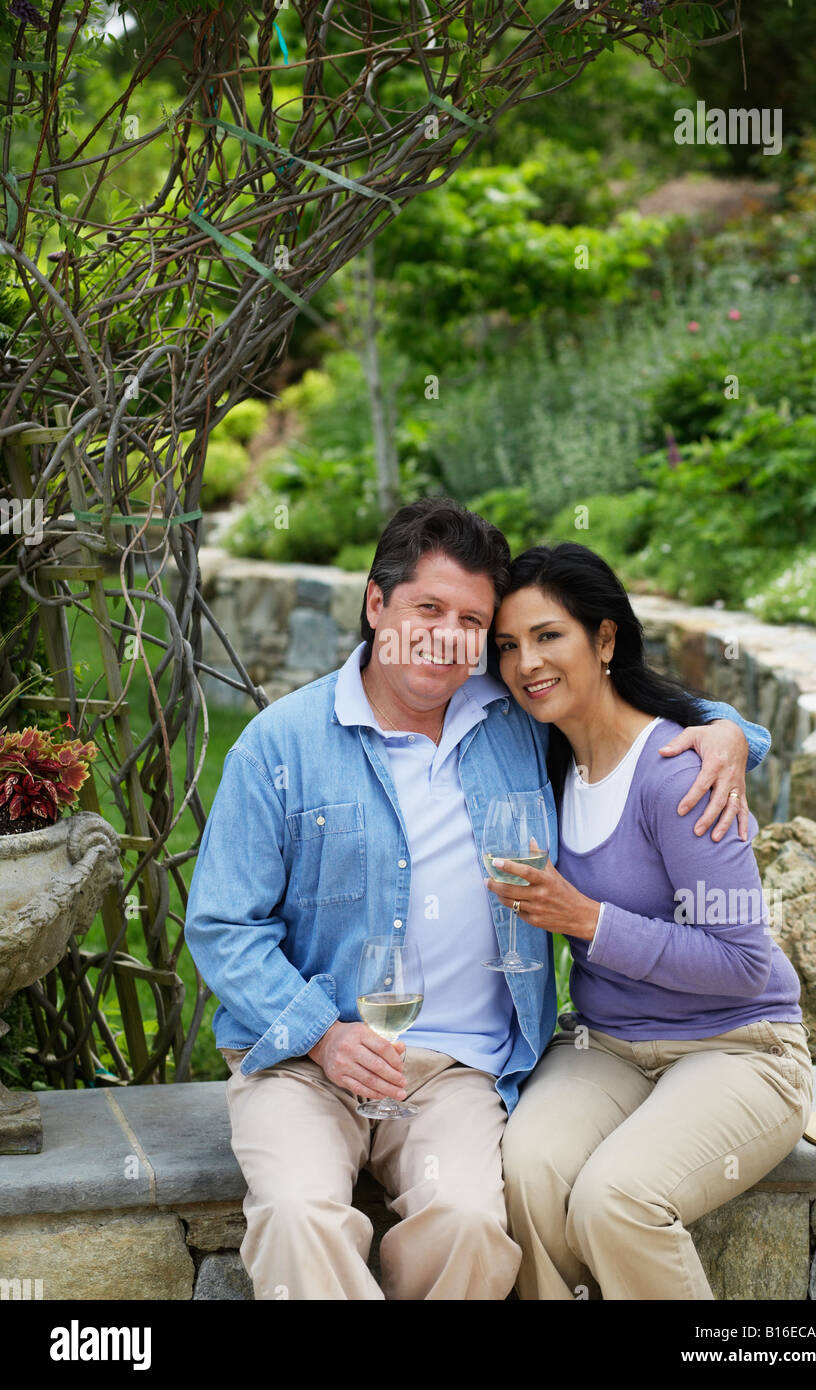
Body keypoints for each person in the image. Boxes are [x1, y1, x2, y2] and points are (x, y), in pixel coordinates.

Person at [184, 500, 770, 1301]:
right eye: (428, 608)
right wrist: (322, 1036)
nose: (447, 636)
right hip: (305, 1063)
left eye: (471, 620)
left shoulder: (515, 720)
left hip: (458, 1068)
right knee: (297, 1214)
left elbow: (624, 710)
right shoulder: (281, 744)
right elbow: (223, 927)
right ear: (375, 604)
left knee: (467, 1224)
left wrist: (731, 729)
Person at [486, 542, 811, 1301]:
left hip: (738, 1047)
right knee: (525, 1172)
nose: (526, 662)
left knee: (615, 1201)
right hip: (607, 1045)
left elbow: (745, 965)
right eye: (507, 645)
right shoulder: (543, 754)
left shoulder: (682, 773)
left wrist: (588, 920)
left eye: (548, 636)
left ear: (605, 640)